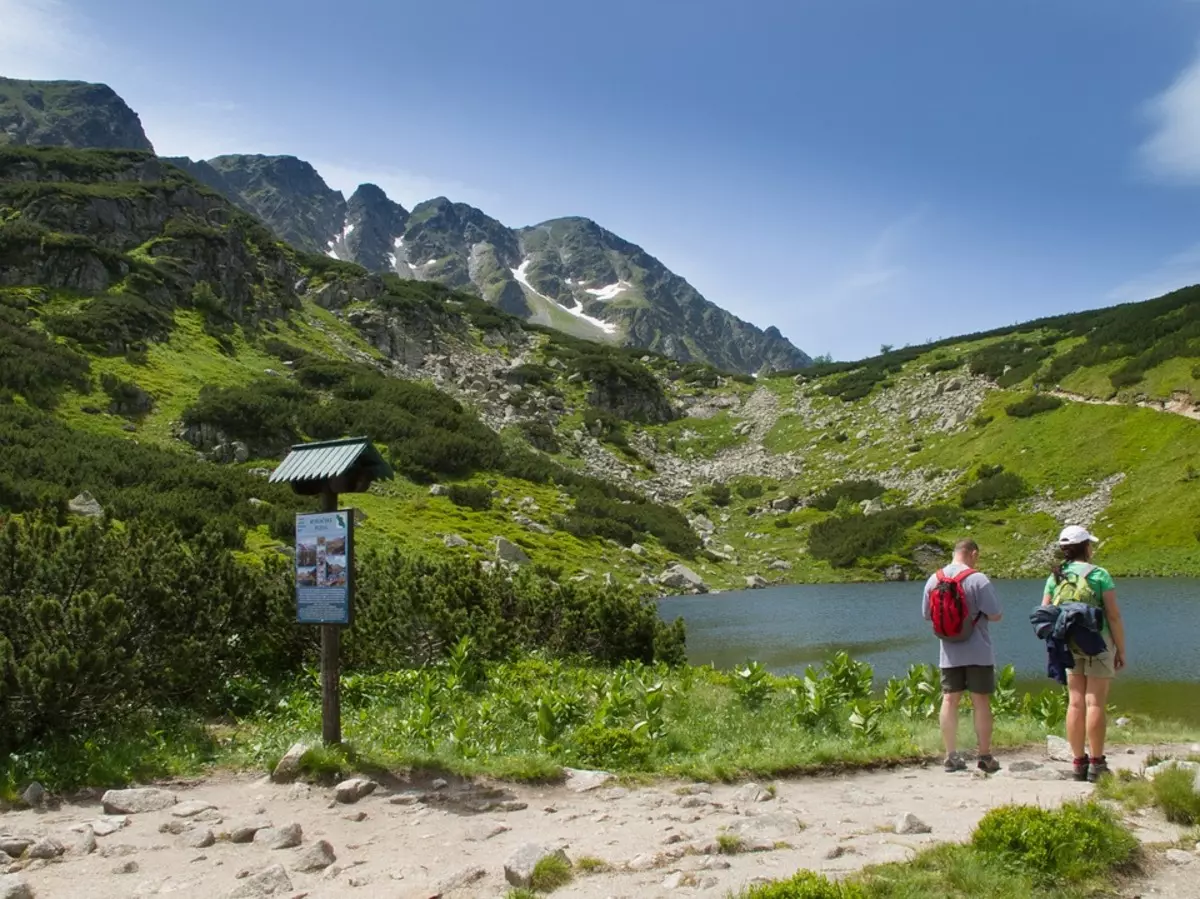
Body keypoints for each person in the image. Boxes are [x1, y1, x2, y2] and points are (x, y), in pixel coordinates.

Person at [1041, 525, 1126, 782]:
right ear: (1086, 547)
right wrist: (1120, 649)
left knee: (1075, 702)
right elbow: (1112, 615)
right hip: (1098, 643)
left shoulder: (1055, 576)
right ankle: (1097, 763)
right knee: (1095, 702)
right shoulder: (1100, 575)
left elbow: (1045, 611)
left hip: (1069, 643)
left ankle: (1078, 762)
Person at [921, 538, 1004, 773]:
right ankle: (985, 756)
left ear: (955, 552)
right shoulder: (978, 579)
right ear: (973, 554)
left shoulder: (934, 579)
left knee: (949, 700)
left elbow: (927, 615)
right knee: (981, 702)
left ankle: (950, 756)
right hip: (979, 651)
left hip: (948, 653)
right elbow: (996, 615)